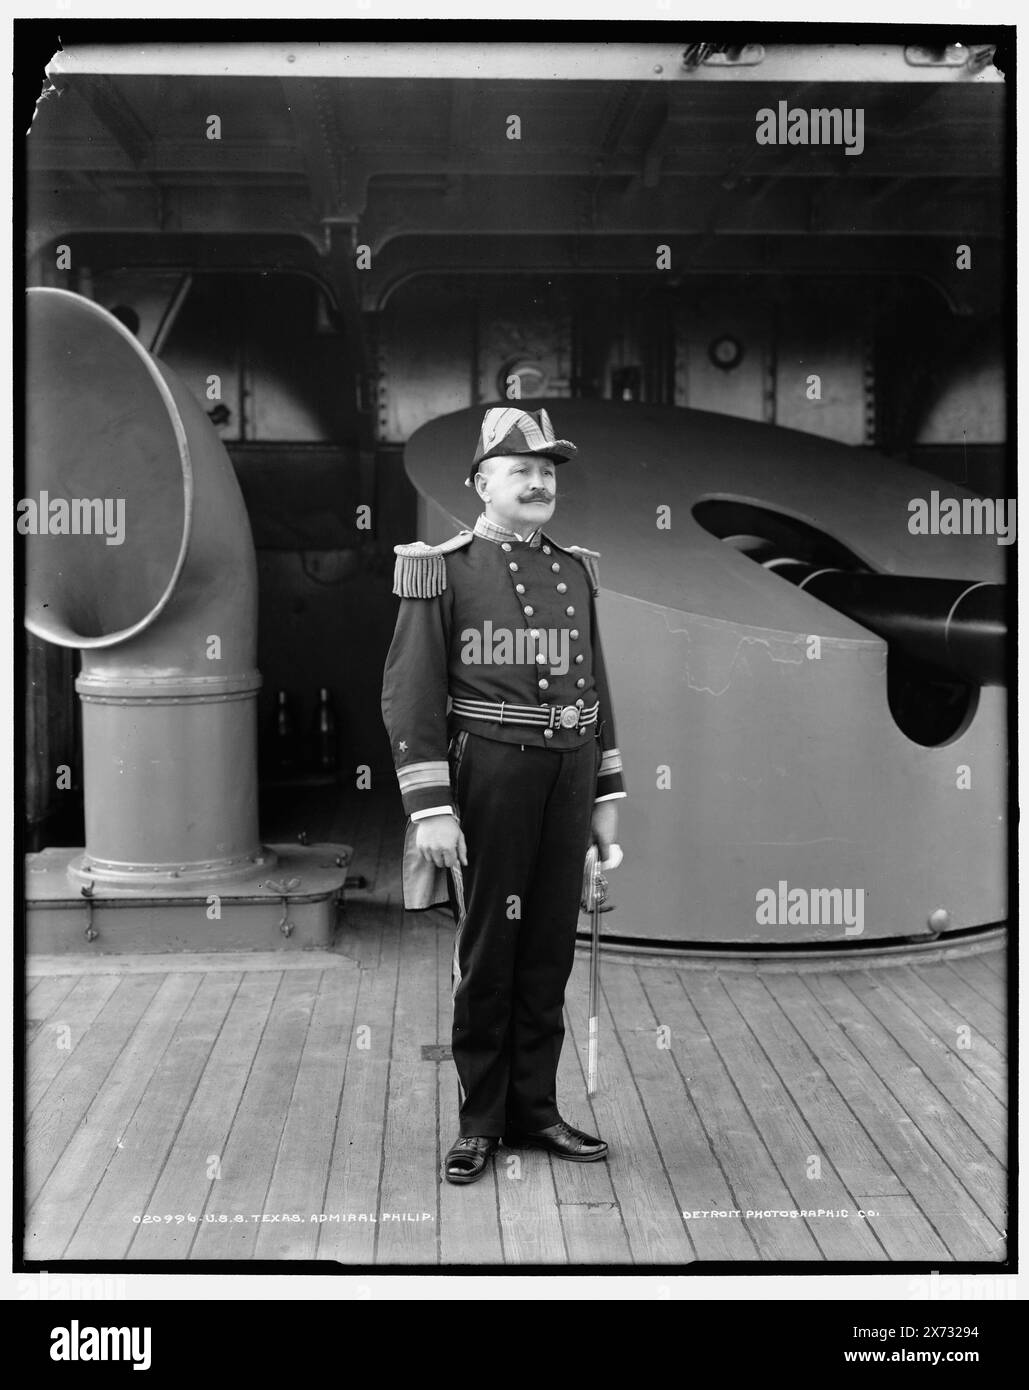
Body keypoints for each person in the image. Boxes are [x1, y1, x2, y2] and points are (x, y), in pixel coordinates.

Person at [381, 405, 626, 1185]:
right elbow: (410, 696)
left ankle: (536, 1111)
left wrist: (604, 794)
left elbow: (596, 687)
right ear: (481, 485)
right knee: (489, 952)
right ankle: (481, 1121)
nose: (538, 482)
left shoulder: (575, 569)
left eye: (546, 471)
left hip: (568, 772)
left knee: (547, 948)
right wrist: (431, 809)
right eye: (520, 470)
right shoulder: (442, 569)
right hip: (491, 771)